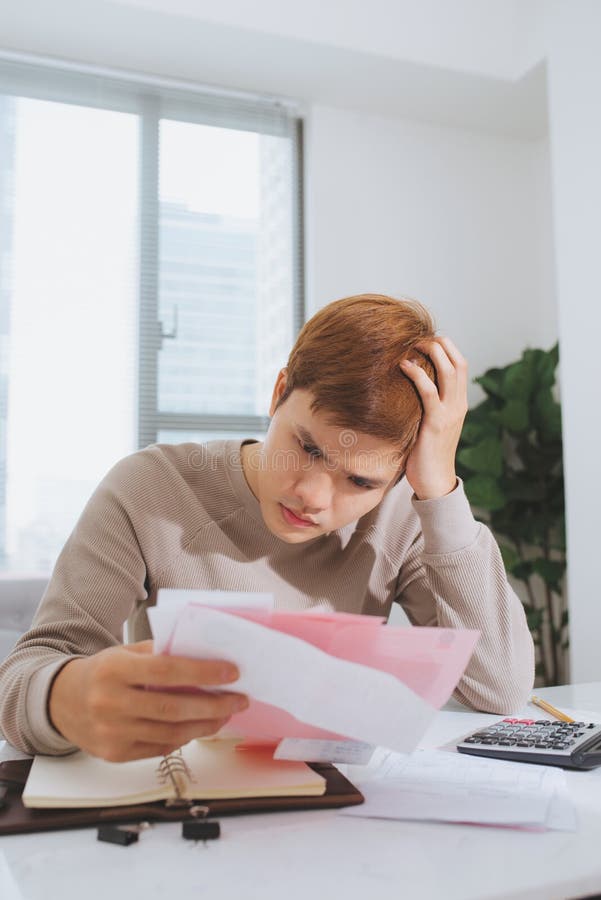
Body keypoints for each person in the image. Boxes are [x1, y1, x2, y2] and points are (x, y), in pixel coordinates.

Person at [0, 294, 534, 760]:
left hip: (338, 817)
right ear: (279, 391)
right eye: (307, 447)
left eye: (360, 481)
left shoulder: (402, 517)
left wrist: (438, 489)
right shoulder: (152, 488)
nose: (312, 496)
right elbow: (28, 675)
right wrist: (68, 694)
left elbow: (501, 688)